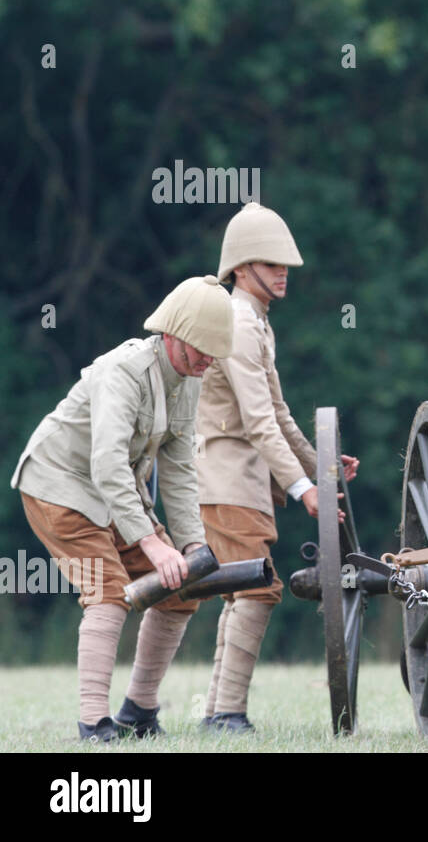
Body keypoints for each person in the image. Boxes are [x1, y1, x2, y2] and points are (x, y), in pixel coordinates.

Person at [12, 275, 233, 741]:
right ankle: (94, 724)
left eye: (215, 350)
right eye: (200, 348)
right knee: (109, 592)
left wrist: (191, 545)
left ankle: (139, 713)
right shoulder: (124, 371)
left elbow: (178, 468)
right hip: (59, 486)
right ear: (173, 333)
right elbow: (108, 463)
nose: (208, 359)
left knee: (180, 591)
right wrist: (152, 544)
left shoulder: (190, 378)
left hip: (112, 494)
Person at [196, 201, 359, 733]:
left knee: (244, 591)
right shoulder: (241, 325)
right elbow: (260, 422)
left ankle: (217, 712)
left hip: (241, 478)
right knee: (259, 589)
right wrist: (305, 487)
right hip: (228, 475)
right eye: (269, 263)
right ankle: (225, 714)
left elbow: (281, 415)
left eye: (284, 263)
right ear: (241, 269)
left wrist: (322, 467)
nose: (282, 271)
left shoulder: (254, 322)